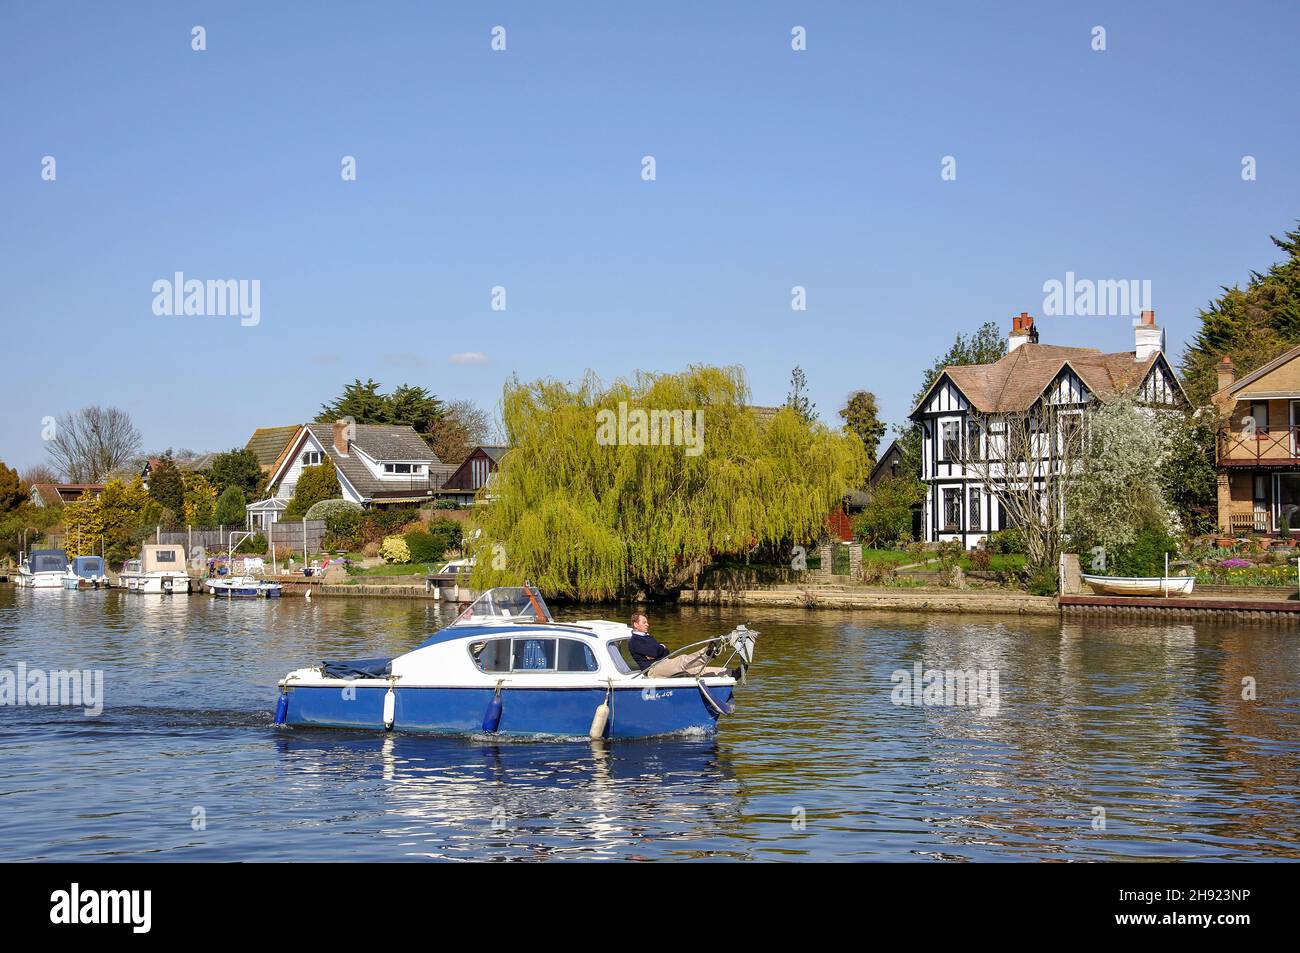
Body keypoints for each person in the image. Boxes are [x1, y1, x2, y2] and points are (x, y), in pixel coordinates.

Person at [627, 612, 735, 679]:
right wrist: (661, 648)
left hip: (662, 662)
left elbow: (663, 652)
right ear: (636, 625)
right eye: (644, 622)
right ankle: (708, 653)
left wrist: (660, 650)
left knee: (696, 669)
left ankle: (729, 673)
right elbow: (656, 652)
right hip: (652, 670)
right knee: (681, 660)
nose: (647, 624)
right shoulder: (635, 641)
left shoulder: (646, 637)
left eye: (647, 622)